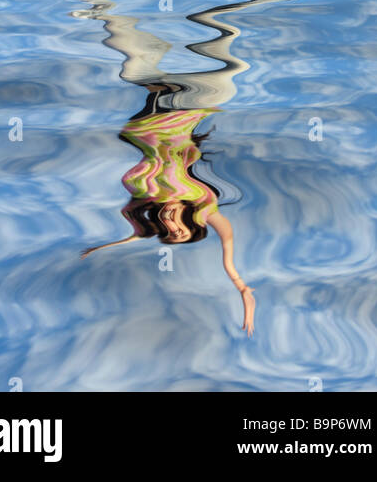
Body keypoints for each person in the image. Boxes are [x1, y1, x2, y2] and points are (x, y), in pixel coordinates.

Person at [79, 91, 256, 339]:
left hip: (145, 124)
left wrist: (104, 247)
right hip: (186, 115)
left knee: (147, 75)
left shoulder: (145, 193)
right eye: (180, 232)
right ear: (192, 223)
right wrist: (242, 288)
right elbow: (227, 239)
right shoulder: (201, 203)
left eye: (169, 234)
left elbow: (138, 235)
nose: (172, 227)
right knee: (225, 87)